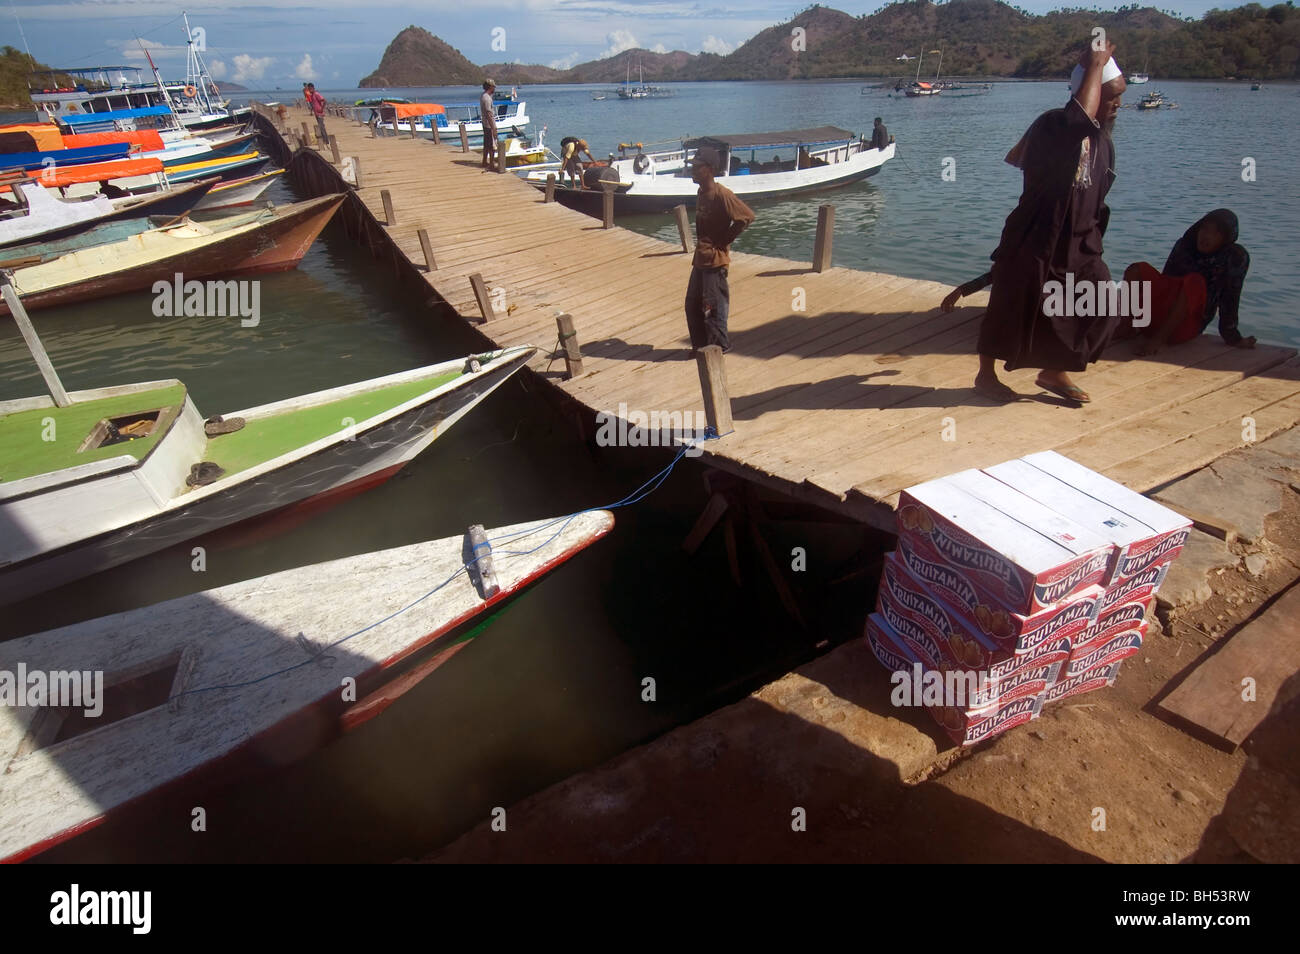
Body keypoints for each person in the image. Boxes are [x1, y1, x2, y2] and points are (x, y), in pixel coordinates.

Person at [974, 41, 1127, 404]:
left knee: (1103, 302)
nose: (1118, 104)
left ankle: (1054, 372)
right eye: (1110, 97)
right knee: (1010, 306)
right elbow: (1078, 121)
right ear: (1087, 91)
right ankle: (986, 375)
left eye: (1120, 96)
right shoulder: (1055, 125)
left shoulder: (1104, 140)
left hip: (1079, 242)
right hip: (1035, 236)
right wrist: (1095, 64)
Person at [1124, 209, 1255, 355]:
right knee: (1137, 269)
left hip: (1185, 327)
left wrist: (1234, 338)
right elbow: (1165, 281)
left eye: (1216, 233)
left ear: (1225, 238)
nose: (1207, 236)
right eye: (1204, 229)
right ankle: (1126, 326)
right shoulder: (1185, 245)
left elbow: (1230, 299)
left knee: (1195, 282)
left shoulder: (1234, 257)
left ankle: (1157, 341)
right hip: (1158, 317)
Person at [684, 145, 755, 354]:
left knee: (714, 308)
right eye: (693, 167)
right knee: (692, 304)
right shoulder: (701, 192)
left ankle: (719, 348)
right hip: (700, 258)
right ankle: (700, 347)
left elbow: (746, 217)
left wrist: (724, 240)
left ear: (710, 169)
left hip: (715, 260)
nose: (693, 171)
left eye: (698, 167)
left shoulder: (722, 194)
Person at [480, 79, 498, 169]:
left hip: (485, 124)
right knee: (491, 145)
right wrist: (493, 128)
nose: (495, 88)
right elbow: (489, 114)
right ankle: (491, 163)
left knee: (486, 144)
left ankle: (484, 161)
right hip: (488, 125)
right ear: (490, 87)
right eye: (494, 86)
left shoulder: (483, 96)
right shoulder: (487, 98)